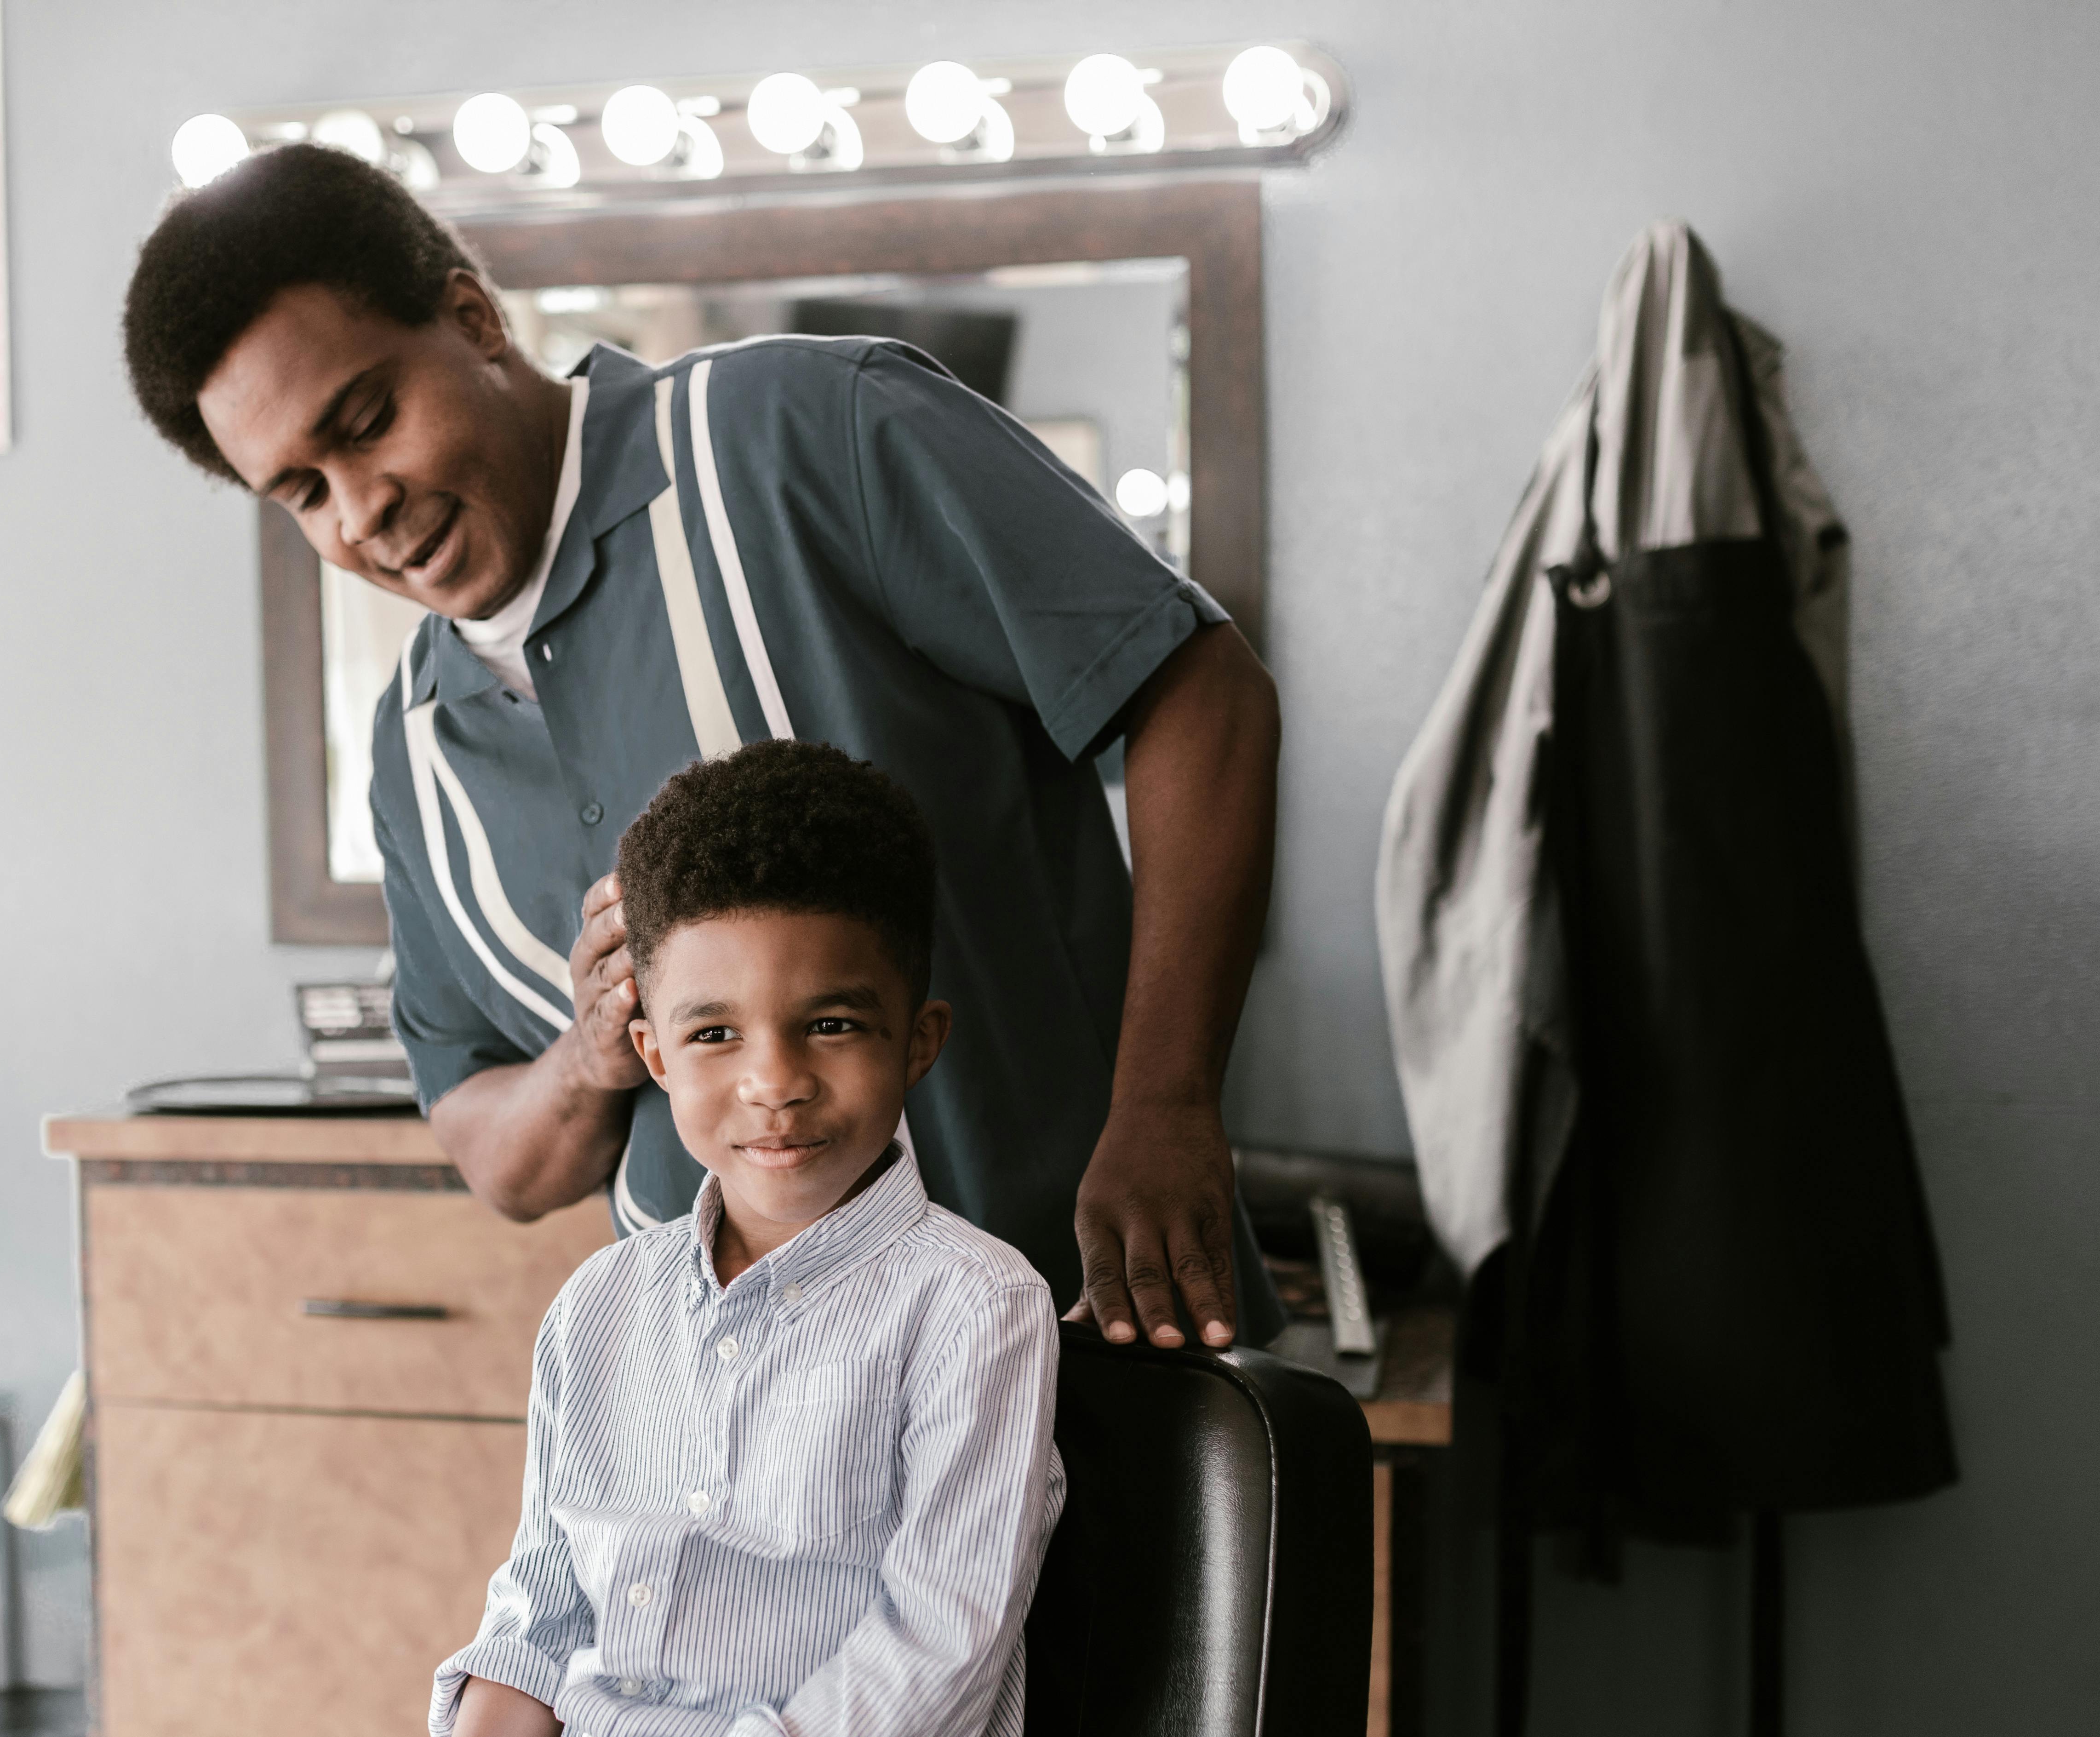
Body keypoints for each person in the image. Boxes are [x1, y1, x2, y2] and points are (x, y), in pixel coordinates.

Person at [122, 144, 1287, 1352]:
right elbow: (500, 1158)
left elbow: (1201, 691)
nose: (360, 510)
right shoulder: (416, 759)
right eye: (303, 492)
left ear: (471, 319)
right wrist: (585, 1057)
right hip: (727, 1459)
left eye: (367, 425)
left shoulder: (807, 434)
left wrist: (1166, 1105)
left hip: (1087, 1342)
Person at [61, 743, 1062, 1737]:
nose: (774, 1081)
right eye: (714, 1034)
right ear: (649, 1048)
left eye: (832, 1023)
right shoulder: (601, 1308)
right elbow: (543, 1610)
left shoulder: (975, 1309)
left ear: (917, 1037)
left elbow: (930, 1656)